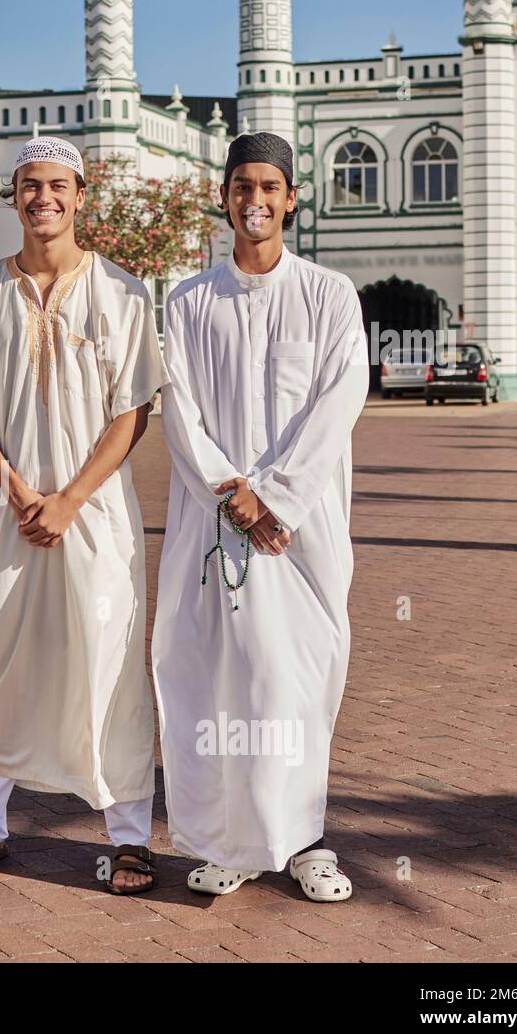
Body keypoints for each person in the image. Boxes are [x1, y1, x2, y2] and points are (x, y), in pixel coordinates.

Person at [0, 137, 168, 894]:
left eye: (58, 185)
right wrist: (15, 489)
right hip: (5, 517)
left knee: (107, 660)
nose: (45, 198)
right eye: (30, 185)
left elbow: (132, 412)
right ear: (13, 197)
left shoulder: (124, 294)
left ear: (80, 195)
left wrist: (69, 499)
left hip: (96, 519)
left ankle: (130, 835)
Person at [152, 132, 368, 902]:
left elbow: (341, 398)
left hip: (297, 531)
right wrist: (228, 488)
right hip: (217, 523)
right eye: (242, 186)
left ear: (291, 198)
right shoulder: (188, 300)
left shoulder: (329, 294)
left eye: (270, 187)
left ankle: (304, 837)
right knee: (222, 678)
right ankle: (232, 840)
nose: (256, 200)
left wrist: (272, 493)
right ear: (224, 196)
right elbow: (175, 406)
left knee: (298, 678)